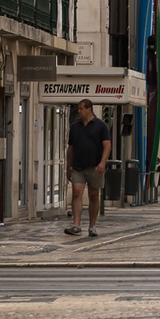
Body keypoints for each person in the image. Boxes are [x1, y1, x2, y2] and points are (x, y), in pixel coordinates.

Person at [65, 100, 112, 237]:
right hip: (78, 167)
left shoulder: (101, 126)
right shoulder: (75, 127)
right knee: (76, 193)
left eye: (80, 109)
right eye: (78, 109)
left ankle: (92, 225)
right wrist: (68, 167)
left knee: (93, 196)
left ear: (89, 109)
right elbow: (71, 149)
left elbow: (107, 146)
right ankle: (76, 225)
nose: (78, 111)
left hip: (94, 167)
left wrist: (103, 163)